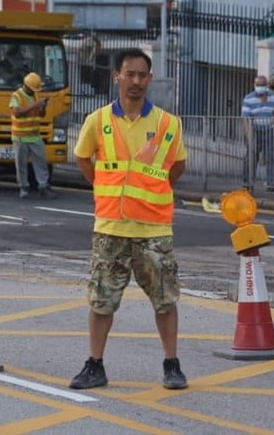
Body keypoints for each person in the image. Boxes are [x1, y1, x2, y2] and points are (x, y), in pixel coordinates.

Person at [69, 48, 188, 391]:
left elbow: (176, 167)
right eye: (129, 74)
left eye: (142, 75)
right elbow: (82, 158)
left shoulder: (168, 124)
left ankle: (172, 364)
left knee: (165, 300)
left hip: (154, 230)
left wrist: (146, 190)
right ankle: (95, 365)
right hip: (110, 229)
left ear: (150, 78)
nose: (135, 81)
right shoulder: (98, 120)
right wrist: (107, 186)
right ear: (116, 77)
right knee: (101, 301)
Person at [9, 72, 57, 199]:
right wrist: (35, 105)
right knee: (21, 164)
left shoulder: (36, 95)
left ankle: (43, 186)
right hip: (20, 137)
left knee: (41, 162)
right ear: (26, 86)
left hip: (35, 135)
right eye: (32, 89)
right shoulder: (17, 95)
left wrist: (42, 108)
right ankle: (23, 187)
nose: (34, 91)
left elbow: (41, 115)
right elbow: (17, 112)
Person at [241, 75, 274, 192]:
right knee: (251, 156)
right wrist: (249, 136)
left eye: (262, 85)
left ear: (267, 85)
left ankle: (272, 184)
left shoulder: (272, 97)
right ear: (254, 85)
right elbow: (245, 119)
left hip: (270, 129)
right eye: (258, 85)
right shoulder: (248, 98)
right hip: (255, 130)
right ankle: (248, 182)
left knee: (271, 156)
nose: (260, 87)